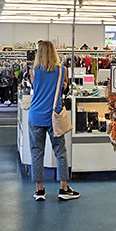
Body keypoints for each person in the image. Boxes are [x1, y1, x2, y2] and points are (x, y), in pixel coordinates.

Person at [27, 40, 80, 202]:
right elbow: (64, 87)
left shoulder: (33, 71)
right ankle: (63, 187)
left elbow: (35, 88)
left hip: (35, 115)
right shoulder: (62, 70)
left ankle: (39, 190)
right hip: (53, 116)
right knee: (60, 152)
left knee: (36, 152)